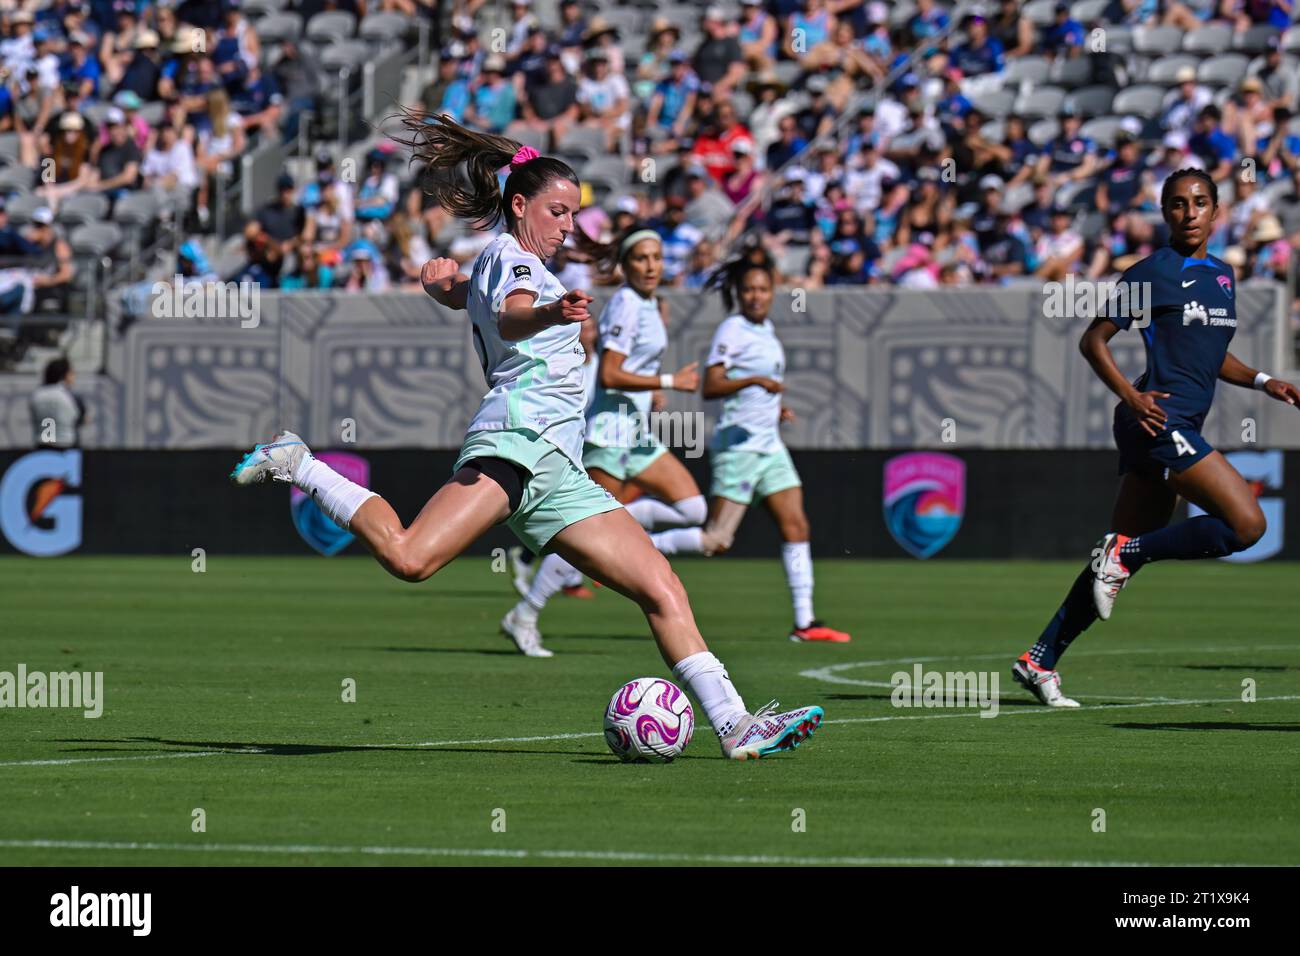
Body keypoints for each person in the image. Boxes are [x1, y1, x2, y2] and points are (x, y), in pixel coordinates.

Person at [229, 113, 823, 760]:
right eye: (559, 212)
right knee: (409, 558)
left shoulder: (505, 262)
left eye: (574, 214)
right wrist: (548, 310)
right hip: (517, 440)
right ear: (520, 206)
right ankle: (300, 463)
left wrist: (442, 286)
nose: (569, 227)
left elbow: (470, 297)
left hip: (560, 465)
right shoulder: (518, 264)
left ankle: (736, 724)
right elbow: (512, 319)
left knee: (661, 586)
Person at [1013, 168, 1300, 707]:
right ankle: (1127, 552)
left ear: (1216, 211)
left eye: (1198, 203)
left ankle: (1040, 659)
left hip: (1179, 425)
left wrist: (1264, 381)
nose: (1188, 213)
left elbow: (1211, 354)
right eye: (1176, 204)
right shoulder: (1152, 273)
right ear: (1164, 212)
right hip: (1155, 420)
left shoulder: (1222, 276)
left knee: (1112, 559)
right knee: (1247, 525)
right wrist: (1130, 395)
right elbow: (1092, 340)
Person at [501, 225, 717, 654]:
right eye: (641, 258)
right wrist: (669, 380)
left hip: (634, 434)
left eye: (657, 258)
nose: (651, 266)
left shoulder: (654, 305)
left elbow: (633, 366)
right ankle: (525, 613)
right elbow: (613, 373)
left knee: (693, 507)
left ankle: (627, 531)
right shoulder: (626, 305)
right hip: (608, 434)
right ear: (626, 265)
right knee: (582, 533)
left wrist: (653, 388)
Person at [652, 247, 852, 643]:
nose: (756, 296)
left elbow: (759, 387)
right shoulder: (734, 330)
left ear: (773, 290)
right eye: (749, 290)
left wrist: (776, 408)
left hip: (769, 446)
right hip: (740, 449)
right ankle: (637, 548)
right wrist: (755, 382)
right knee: (716, 541)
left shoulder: (766, 332)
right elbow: (712, 385)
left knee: (796, 525)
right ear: (739, 293)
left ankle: (805, 623)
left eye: (762, 289)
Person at [29, 357, 85, 448]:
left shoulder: (36, 395)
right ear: (64, 375)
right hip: (67, 445)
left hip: (41, 445)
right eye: (71, 373)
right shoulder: (70, 395)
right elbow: (80, 417)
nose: (74, 376)